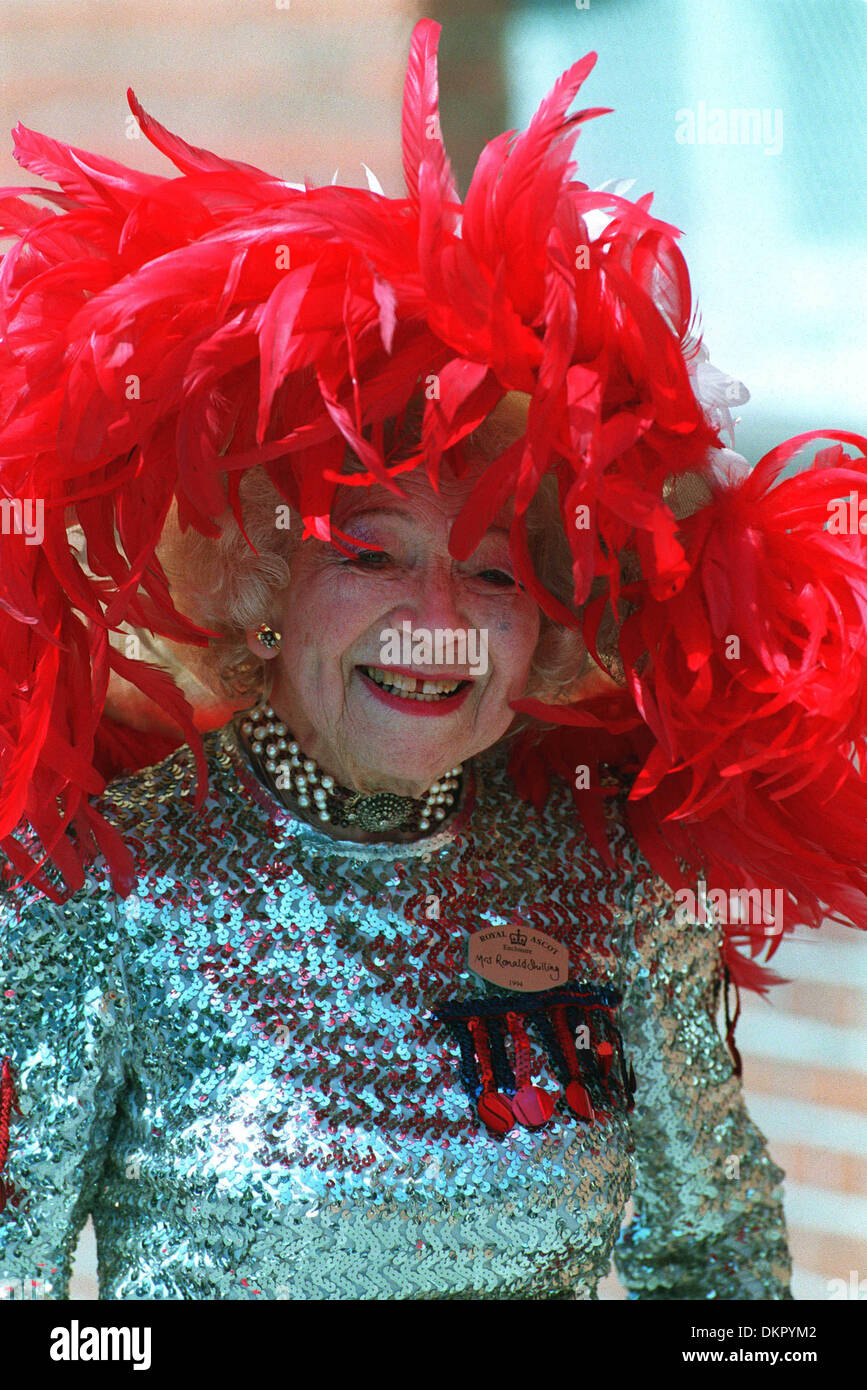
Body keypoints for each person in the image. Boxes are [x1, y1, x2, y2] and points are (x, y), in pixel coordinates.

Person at [1, 17, 865, 1300]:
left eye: (497, 571)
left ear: (554, 634)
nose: (439, 615)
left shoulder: (617, 887)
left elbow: (723, 1275)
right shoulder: (105, 891)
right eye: (374, 552)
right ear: (259, 583)